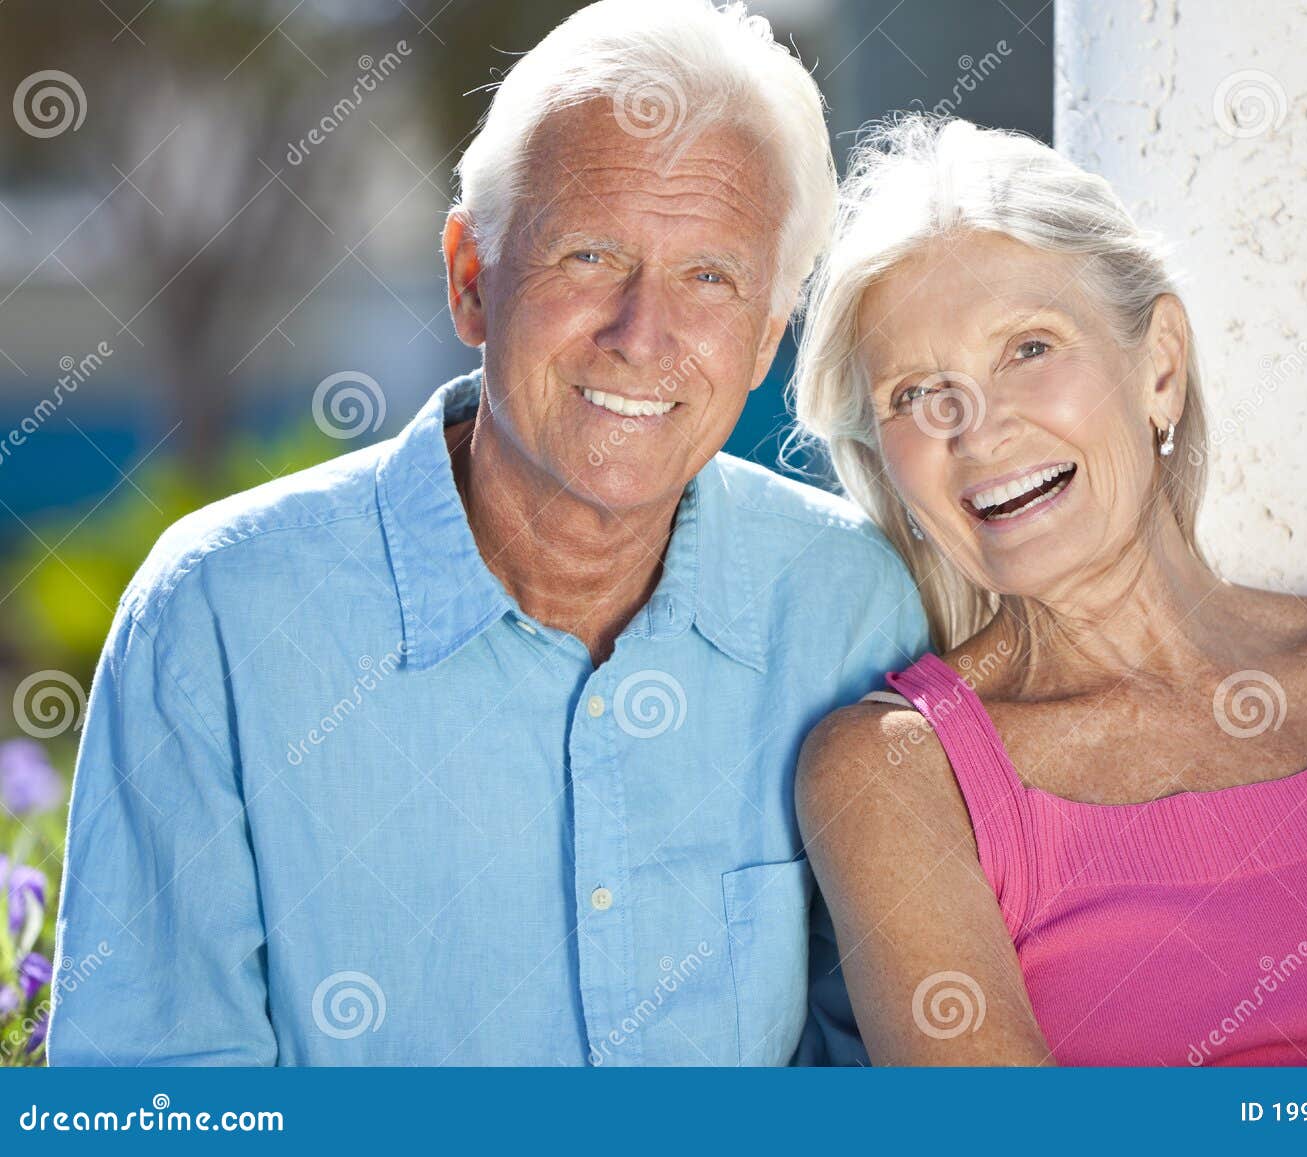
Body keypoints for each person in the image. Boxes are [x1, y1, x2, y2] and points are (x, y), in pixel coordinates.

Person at [49, 0, 927, 1066]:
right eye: (588, 254)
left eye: (710, 276)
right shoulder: (219, 617)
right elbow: (161, 1103)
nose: (641, 334)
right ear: (471, 278)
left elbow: (872, 1074)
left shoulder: (850, 607)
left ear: (765, 336)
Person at [793, 115, 1307, 1066]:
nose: (977, 428)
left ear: (1160, 368)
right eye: (914, 394)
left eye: (1029, 348)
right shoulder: (892, 772)